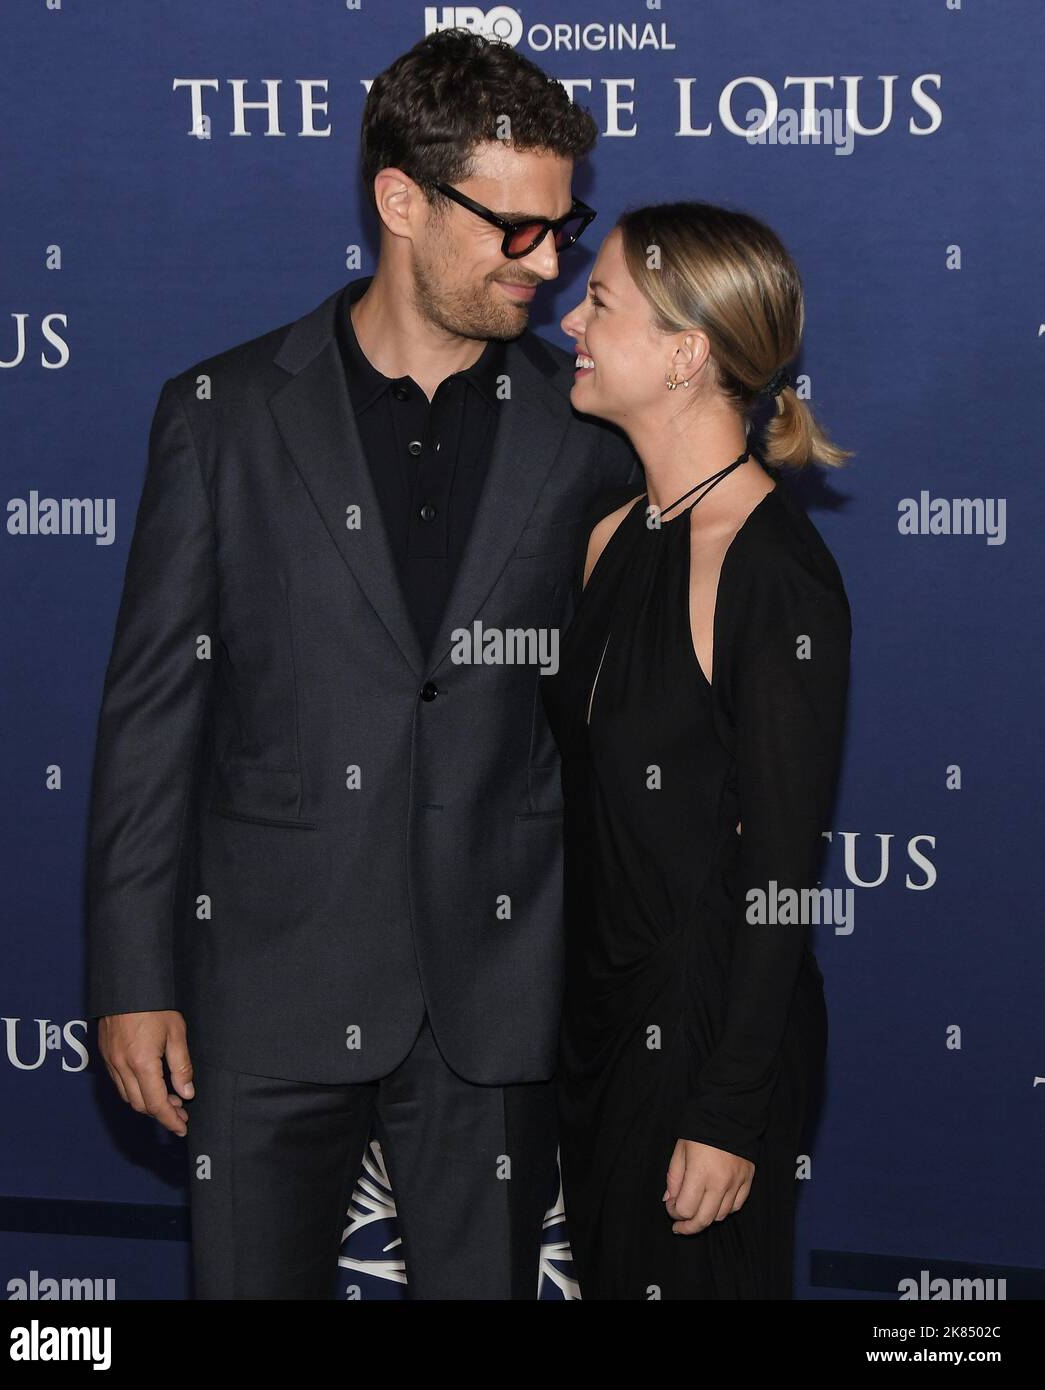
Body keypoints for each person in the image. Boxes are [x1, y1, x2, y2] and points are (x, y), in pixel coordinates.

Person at [84, 29, 642, 1300]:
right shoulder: (221, 414)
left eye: (564, 227)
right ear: (401, 200)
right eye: (514, 228)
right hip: (269, 979)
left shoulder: (588, 429)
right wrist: (132, 978)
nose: (548, 262)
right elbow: (153, 717)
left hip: (494, 997)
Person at [540, 202, 852, 1299]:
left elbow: (776, 874)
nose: (568, 317)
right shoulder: (610, 537)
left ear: (682, 354)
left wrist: (726, 1110)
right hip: (599, 1024)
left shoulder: (770, 573)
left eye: (601, 303)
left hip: (706, 1037)